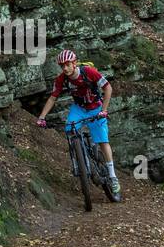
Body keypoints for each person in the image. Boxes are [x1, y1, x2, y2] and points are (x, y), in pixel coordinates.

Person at [36, 49, 121, 201]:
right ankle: (79, 158)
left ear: (74, 63)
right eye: (62, 65)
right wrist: (42, 117)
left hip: (96, 108)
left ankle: (113, 176)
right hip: (79, 109)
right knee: (69, 129)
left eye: (67, 64)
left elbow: (108, 88)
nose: (65, 68)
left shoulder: (89, 72)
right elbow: (52, 98)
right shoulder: (62, 79)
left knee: (102, 141)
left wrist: (104, 110)